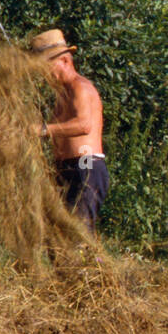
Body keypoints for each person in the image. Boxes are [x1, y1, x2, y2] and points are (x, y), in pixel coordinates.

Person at [29, 28, 109, 233]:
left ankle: (86, 265)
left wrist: (43, 129)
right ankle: (70, 265)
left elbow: (84, 125)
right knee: (60, 231)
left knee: (78, 230)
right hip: (67, 169)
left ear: (65, 61)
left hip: (85, 166)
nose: (43, 73)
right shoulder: (62, 94)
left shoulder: (79, 87)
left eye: (46, 66)